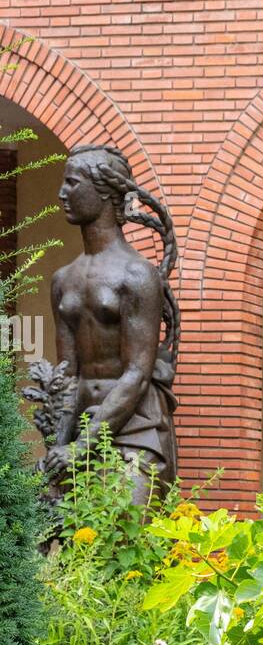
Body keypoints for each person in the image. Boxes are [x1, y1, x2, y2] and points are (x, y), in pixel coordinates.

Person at [43, 144, 179, 504]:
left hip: (136, 428)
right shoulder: (62, 279)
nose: (62, 194)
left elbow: (137, 373)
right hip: (82, 429)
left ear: (104, 192)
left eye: (72, 184)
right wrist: (59, 448)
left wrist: (81, 449)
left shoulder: (137, 275)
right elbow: (67, 374)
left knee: (126, 533)